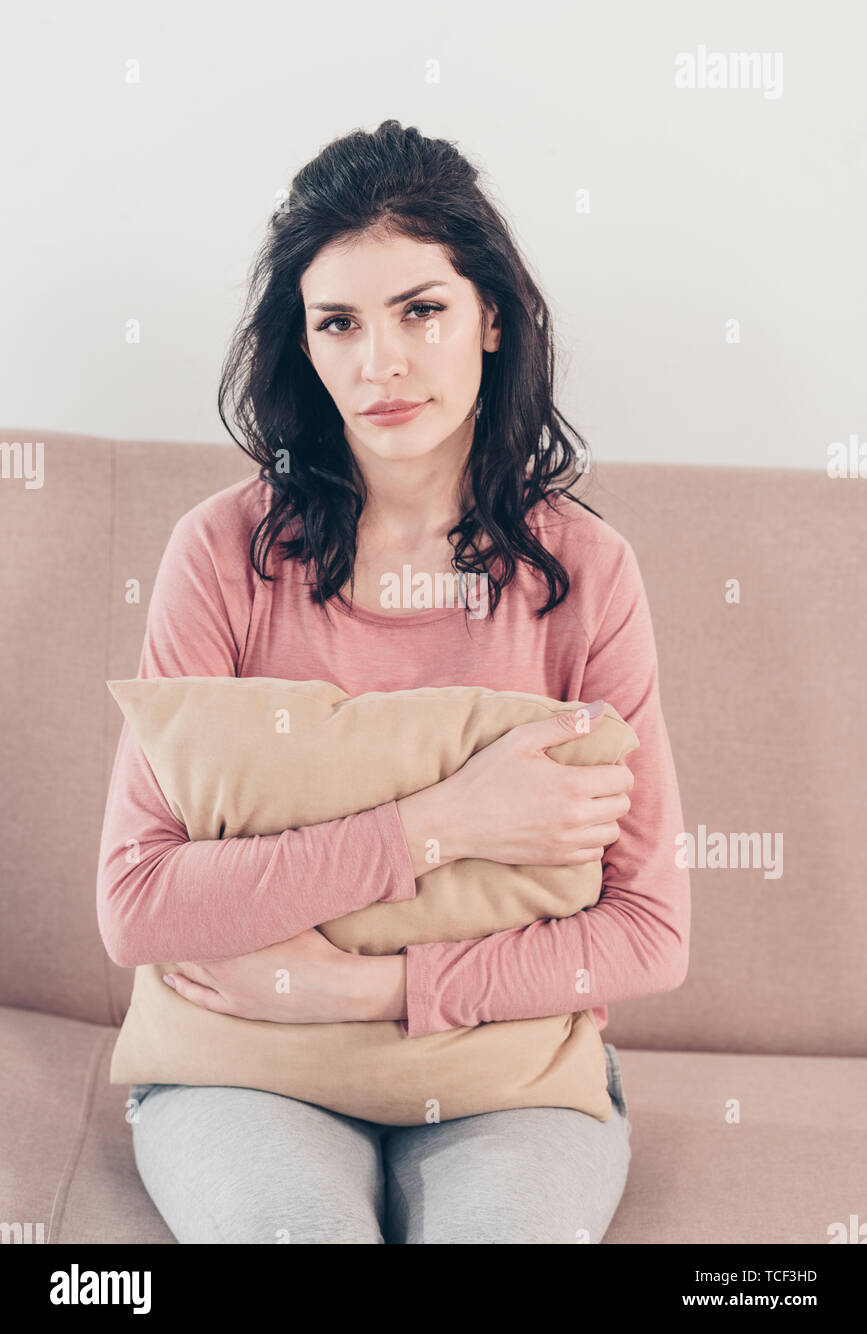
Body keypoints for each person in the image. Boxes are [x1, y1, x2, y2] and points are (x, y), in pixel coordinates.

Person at [97, 119, 689, 1244]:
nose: (382, 363)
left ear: (493, 317)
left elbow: (649, 929)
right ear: (306, 347)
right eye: (340, 323)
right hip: (245, 1066)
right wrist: (442, 821)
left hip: (503, 1077)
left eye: (422, 310)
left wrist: (374, 987)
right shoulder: (221, 553)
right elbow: (135, 906)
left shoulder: (587, 576)